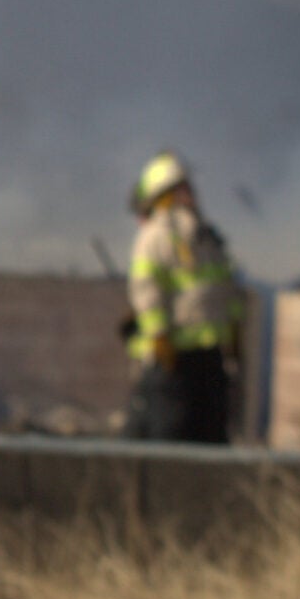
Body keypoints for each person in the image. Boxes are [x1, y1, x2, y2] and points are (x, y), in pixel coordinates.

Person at [123, 150, 244, 444]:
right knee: (169, 442)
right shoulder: (162, 236)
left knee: (204, 443)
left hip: (206, 361)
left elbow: (225, 292)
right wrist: (159, 336)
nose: (189, 194)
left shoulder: (206, 239)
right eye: (181, 188)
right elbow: (147, 290)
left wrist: (232, 335)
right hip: (173, 362)